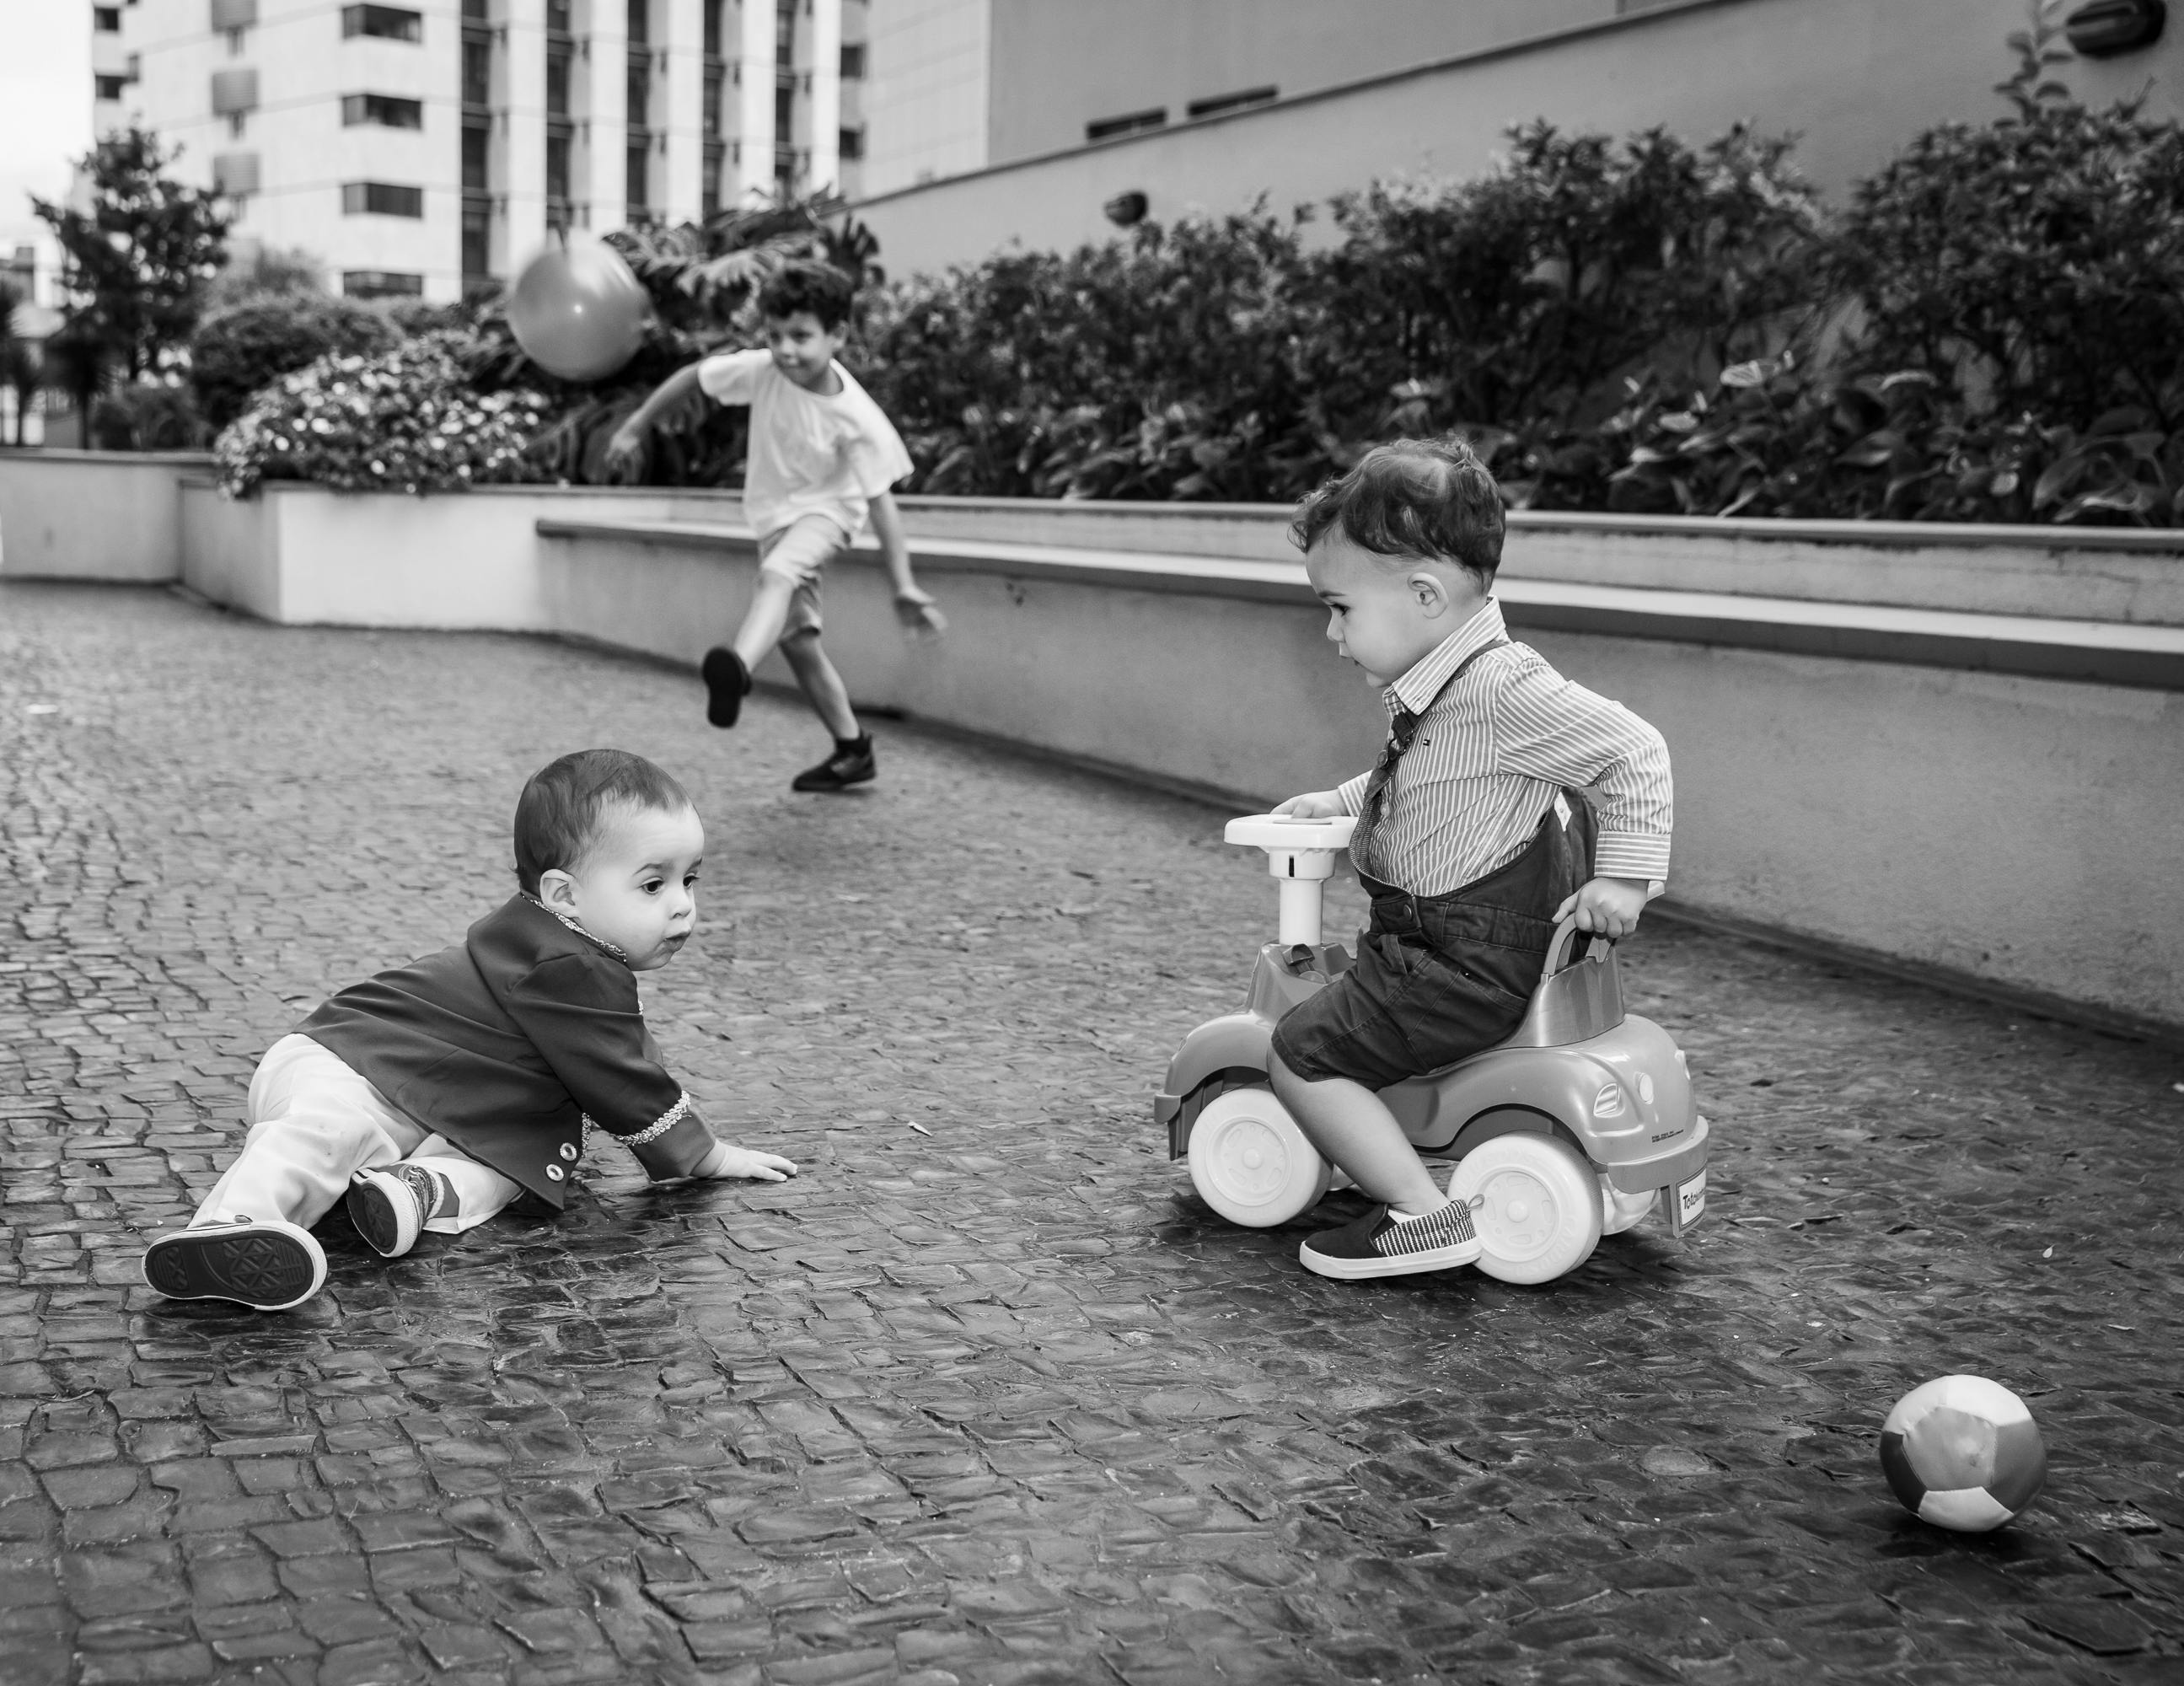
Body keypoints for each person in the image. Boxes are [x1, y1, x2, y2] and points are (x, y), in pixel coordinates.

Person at [139, 749, 798, 1312]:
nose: (682, 904)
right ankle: (232, 1225)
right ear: (564, 896)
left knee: (519, 1162)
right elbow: (624, 1080)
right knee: (327, 1132)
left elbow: (612, 1055)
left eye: (689, 880)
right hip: (346, 1061)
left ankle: (413, 1192)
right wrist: (703, 1155)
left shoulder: (563, 950)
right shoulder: (566, 964)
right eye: (652, 885)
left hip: (427, 1105)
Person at [1265, 438, 1673, 1282]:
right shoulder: (1445, 684)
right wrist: (1343, 803)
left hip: (1456, 960)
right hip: (1442, 947)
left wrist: (1624, 877)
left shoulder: (1499, 688)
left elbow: (1633, 749)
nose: (1329, 630)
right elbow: (1431, 776)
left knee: (1301, 1051)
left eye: (1338, 606)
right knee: (1338, 1021)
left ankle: (1419, 1215)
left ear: (1422, 594)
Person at [604, 260, 945, 793]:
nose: (786, 350)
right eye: (776, 335)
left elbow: (882, 504)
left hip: (828, 514)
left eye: (802, 337)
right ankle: (853, 750)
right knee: (799, 642)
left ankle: (737, 667)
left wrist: (902, 583)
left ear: (838, 335)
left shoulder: (857, 417)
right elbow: (694, 377)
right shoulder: (764, 370)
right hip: (774, 517)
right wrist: (634, 426)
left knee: (777, 575)